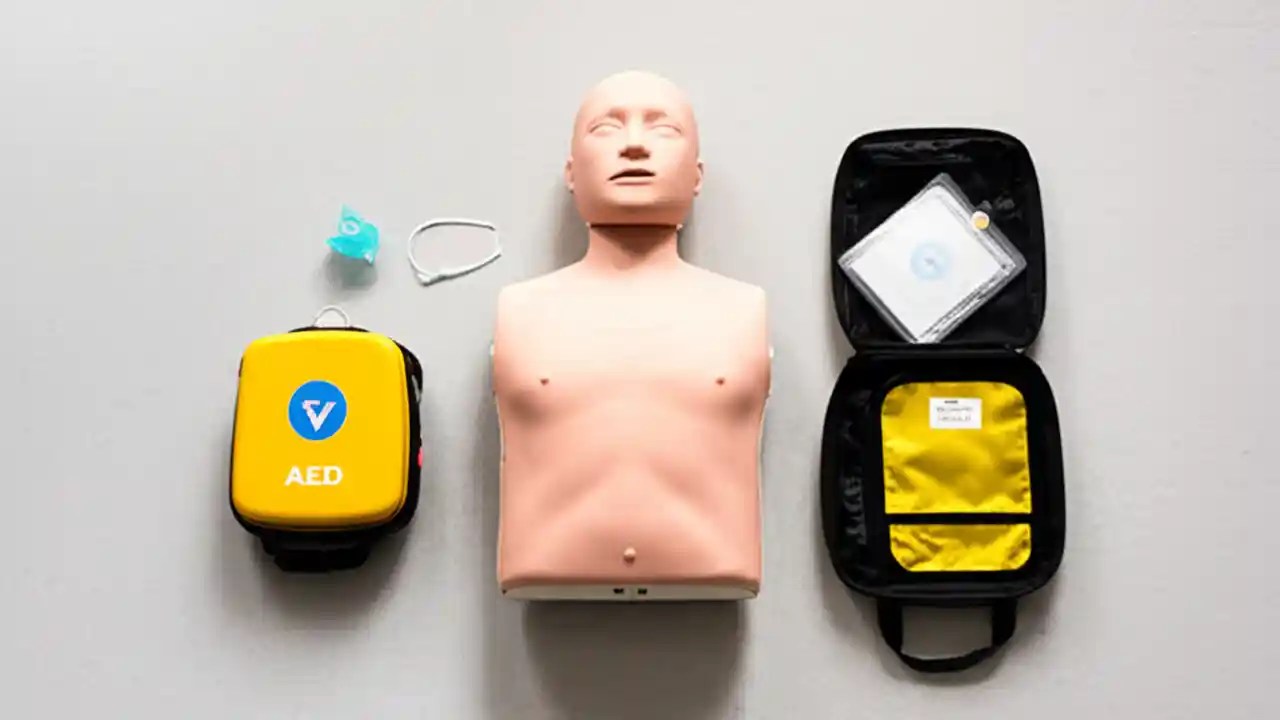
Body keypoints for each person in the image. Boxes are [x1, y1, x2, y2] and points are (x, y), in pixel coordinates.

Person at [492, 70, 771, 600]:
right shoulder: (521, 308)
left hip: (716, 560)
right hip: (544, 560)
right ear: (571, 172)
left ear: (698, 175)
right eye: (606, 128)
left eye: (663, 129)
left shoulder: (743, 307)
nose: (636, 145)